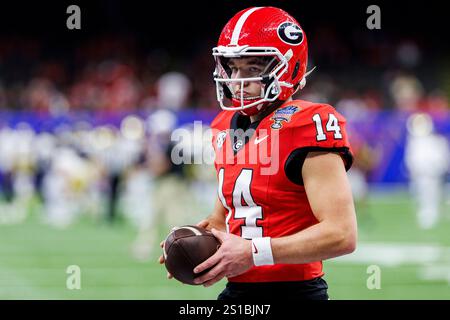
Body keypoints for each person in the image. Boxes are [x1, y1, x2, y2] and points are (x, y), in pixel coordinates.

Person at [159, 6, 357, 300]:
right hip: (237, 290)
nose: (239, 80)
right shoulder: (224, 125)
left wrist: (254, 252)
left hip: (295, 293)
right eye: (234, 67)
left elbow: (342, 234)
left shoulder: (309, 123)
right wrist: (195, 243)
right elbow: (222, 217)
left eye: (253, 69)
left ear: (288, 69)